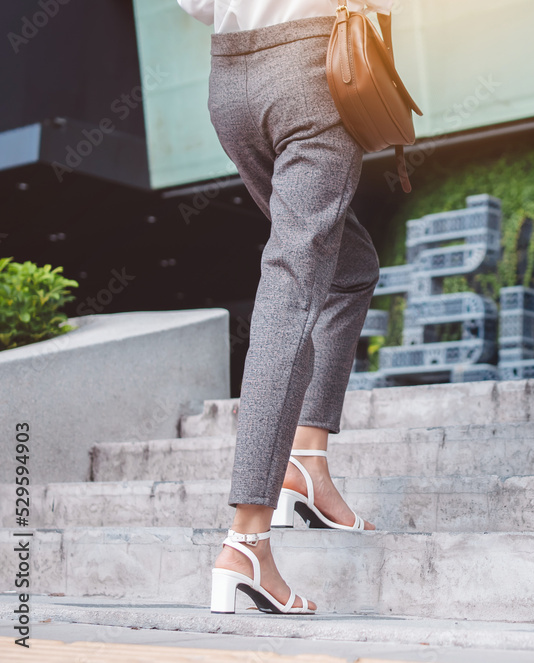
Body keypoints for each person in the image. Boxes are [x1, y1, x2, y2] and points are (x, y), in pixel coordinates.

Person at [177, 0, 393, 615]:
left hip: (231, 86)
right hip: (310, 67)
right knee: (292, 284)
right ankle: (247, 540)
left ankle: (308, 464)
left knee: (348, 269)